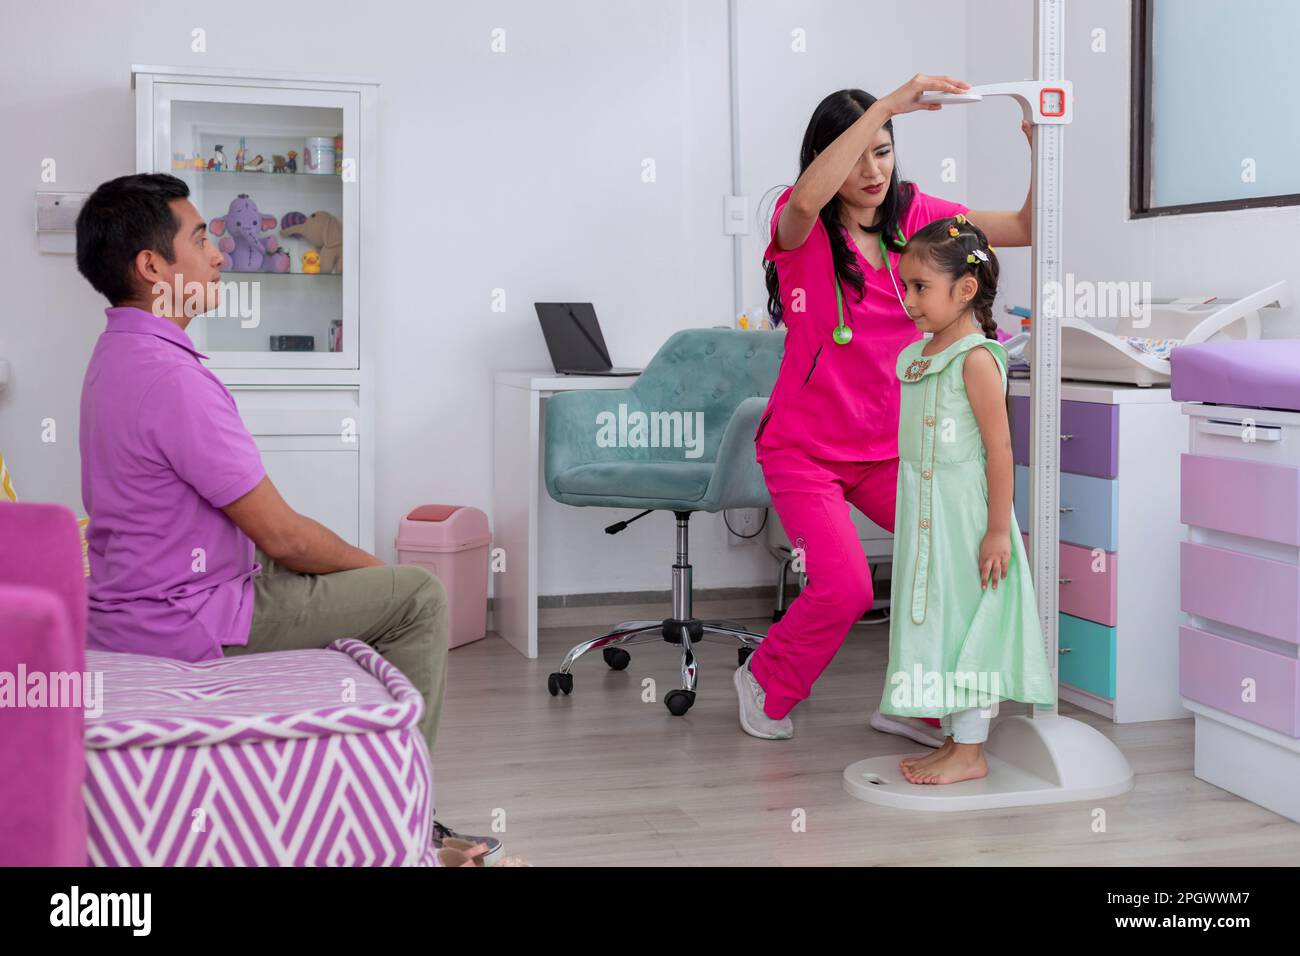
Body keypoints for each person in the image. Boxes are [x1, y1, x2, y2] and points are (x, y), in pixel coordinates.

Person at [74, 173, 497, 861]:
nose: (219, 255)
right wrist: (382, 579)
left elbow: (263, 533)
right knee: (417, 597)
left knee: (322, 562)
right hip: (182, 616)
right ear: (153, 267)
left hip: (131, 601)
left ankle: (370, 789)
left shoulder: (115, 355)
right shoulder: (172, 378)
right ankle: (409, 825)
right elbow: (284, 535)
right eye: (202, 238)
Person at [734, 75, 1035, 742]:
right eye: (858, 152)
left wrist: (1041, 149)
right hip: (804, 448)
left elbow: (1022, 227)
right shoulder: (800, 223)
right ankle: (765, 677)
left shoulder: (920, 215)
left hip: (890, 449)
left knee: (957, 558)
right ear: (828, 155)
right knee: (844, 587)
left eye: (885, 149)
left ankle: (916, 702)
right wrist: (890, 105)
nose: (872, 170)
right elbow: (810, 195)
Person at [884, 215, 1054, 784]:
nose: (908, 299)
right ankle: (958, 739)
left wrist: (998, 530)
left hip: (965, 516)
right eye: (904, 285)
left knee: (970, 621)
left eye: (920, 288)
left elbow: (1000, 450)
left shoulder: (978, 359)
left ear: (965, 289)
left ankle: (972, 749)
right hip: (926, 516)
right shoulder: (921, 355)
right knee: (939, 622)